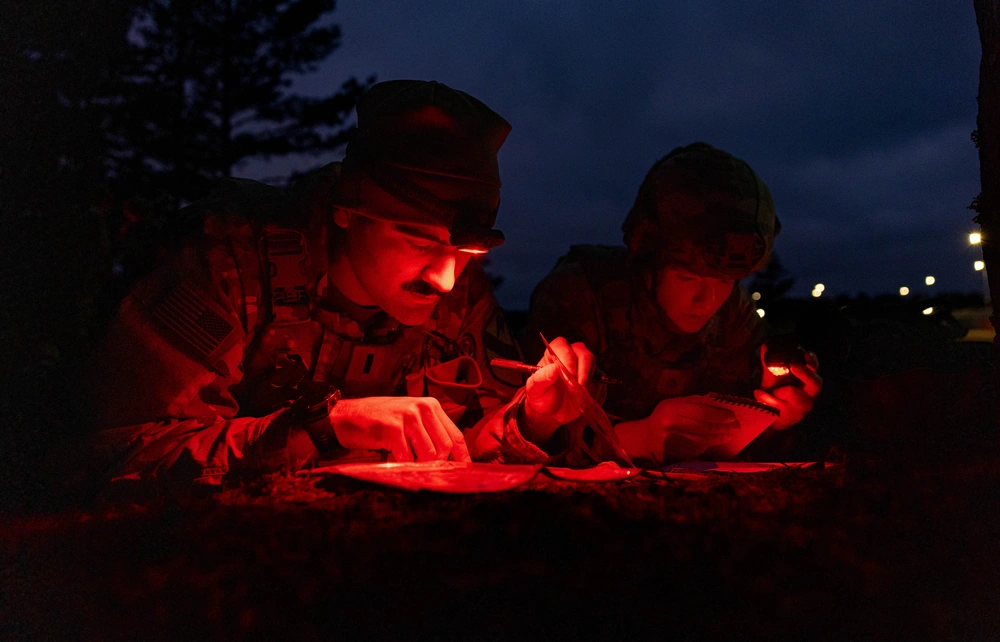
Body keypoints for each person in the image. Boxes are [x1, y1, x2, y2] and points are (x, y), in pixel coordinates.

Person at [82, 80, 598, 485]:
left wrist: (533, 417)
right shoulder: (229, 263)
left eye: (463, 251)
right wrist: (319, 427)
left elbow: (468, 447)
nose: (445, 278)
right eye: (419, 241)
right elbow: (104, 454)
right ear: (349, 210)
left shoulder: (461, 296)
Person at [521, 142, 822, 467]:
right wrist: (640, 438)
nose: (706, 301)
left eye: (724, 282)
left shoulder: (736, 314)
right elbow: (523, 438)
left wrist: (774, 420)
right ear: (649, 262)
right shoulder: (580, 296)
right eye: (687, 278)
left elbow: (753, 457)